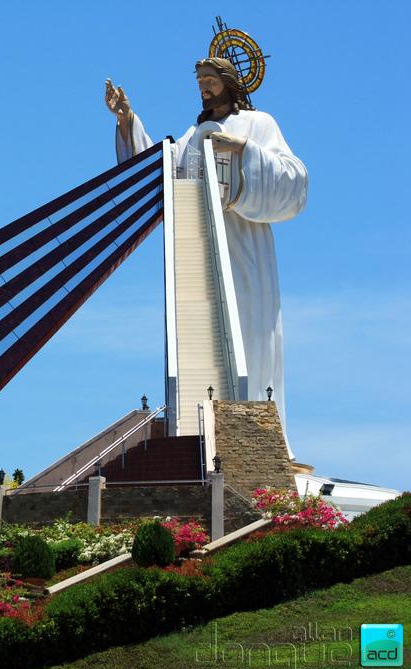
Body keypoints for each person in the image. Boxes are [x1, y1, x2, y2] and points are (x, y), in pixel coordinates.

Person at [105, 58, 307, 445]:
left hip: (243, 244)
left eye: (211, 80)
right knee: (202, 336)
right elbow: (161, 175)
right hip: (201, 249)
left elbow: (295, 181)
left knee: (247, 332)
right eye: (200, 81)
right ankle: (201, 432)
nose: (204, 88)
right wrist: (127, 122)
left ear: (228, 83)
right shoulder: (193, 135)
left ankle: (255, 436)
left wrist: (244, 150)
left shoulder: (258, 123)